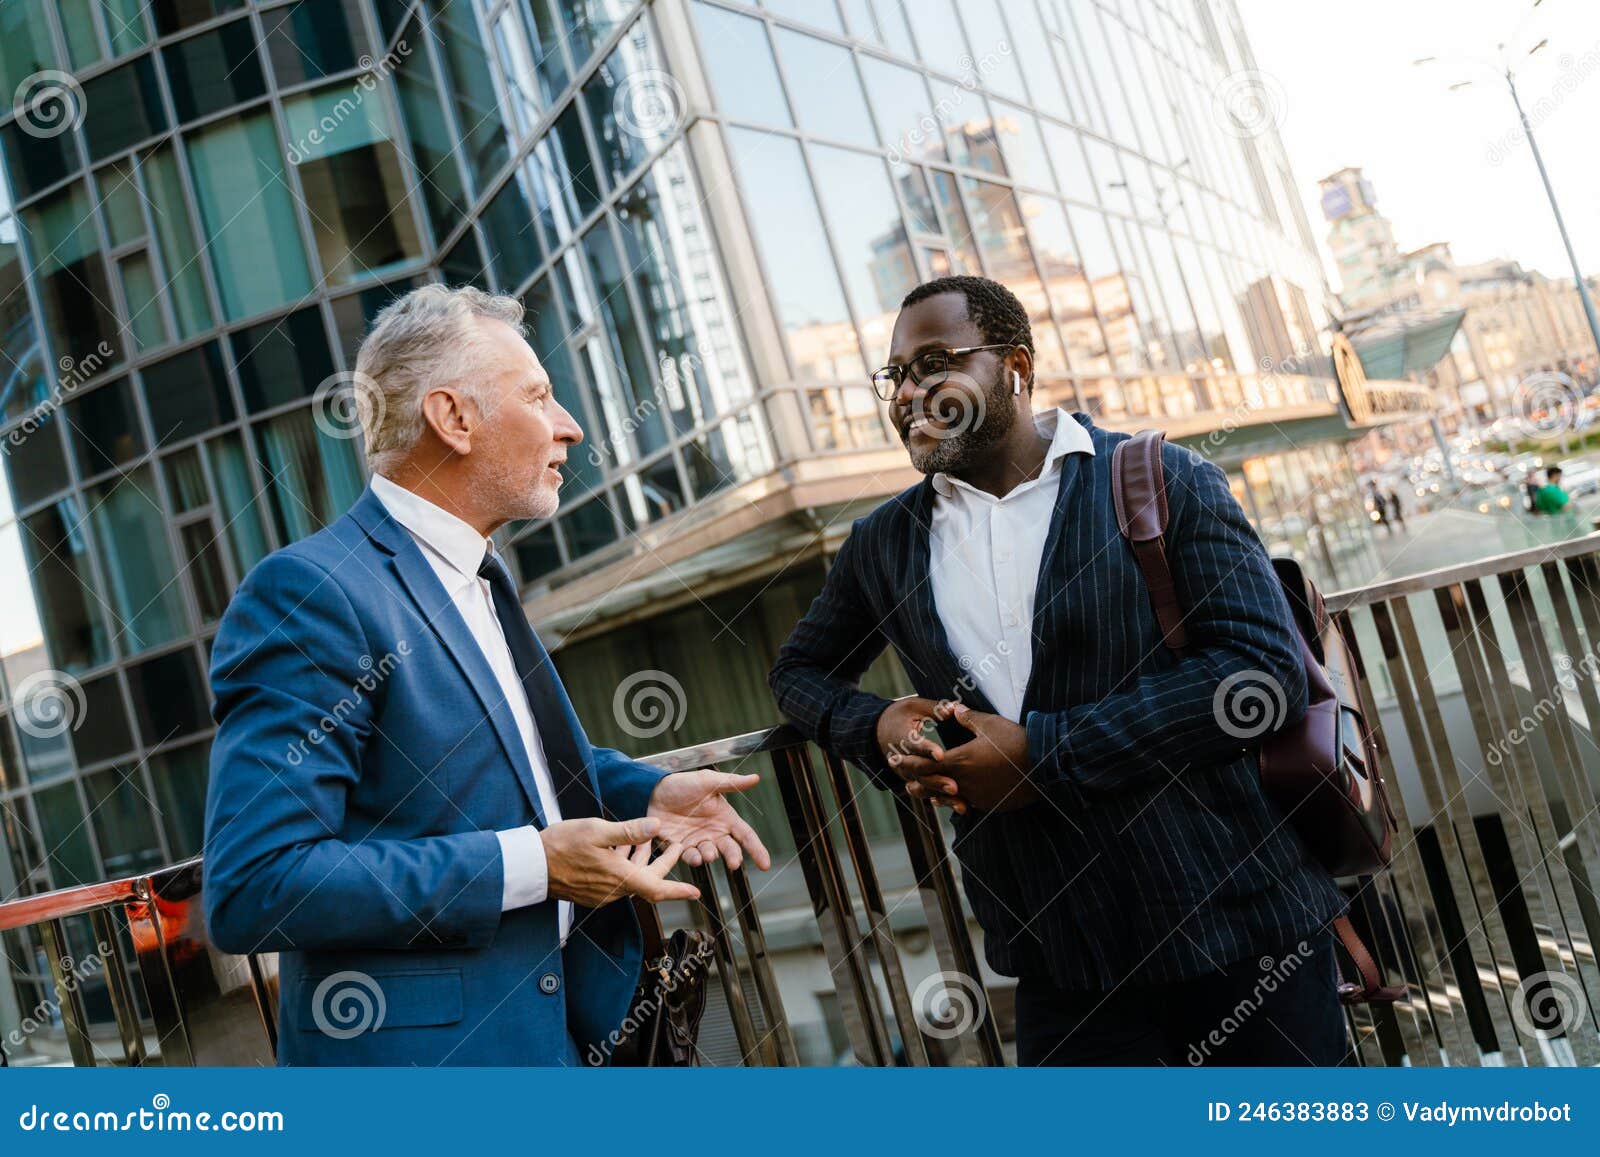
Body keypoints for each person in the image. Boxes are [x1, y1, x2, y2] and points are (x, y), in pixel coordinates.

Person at [768, 275, 1349, 1066]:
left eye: (936, 362)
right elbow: (799, 670)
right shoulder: (884, 544)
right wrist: (873, 721)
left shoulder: (1158, 479)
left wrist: (1044, 756)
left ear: (1016, 366)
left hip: (1241, 933)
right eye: (896, 374)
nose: (909, 391)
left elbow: (1262, 675)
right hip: (1061, 963)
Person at [204, 286, 770, 1066]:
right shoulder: (311, 593)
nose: (568, 425)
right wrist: (535, 864)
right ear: (454, 418)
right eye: (538, 396)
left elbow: (510, 763)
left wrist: (643, 790)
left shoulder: (479, 572)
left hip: (576, 1032)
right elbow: (257, 883)